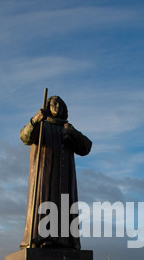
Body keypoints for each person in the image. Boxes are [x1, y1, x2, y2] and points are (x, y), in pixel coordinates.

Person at [20, 95, 92, 249]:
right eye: (54, 104)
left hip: (65, 176)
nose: (57, 107)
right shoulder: (41, 126)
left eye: (60, 105)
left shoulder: (67, 128)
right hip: (45, 173)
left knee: (64, 205)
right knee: (45, 201)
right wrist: (35, 119)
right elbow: (24, 137)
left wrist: (73, 133)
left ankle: (65, 242)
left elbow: (86, 147)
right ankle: (41, 238)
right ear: (48, 107)